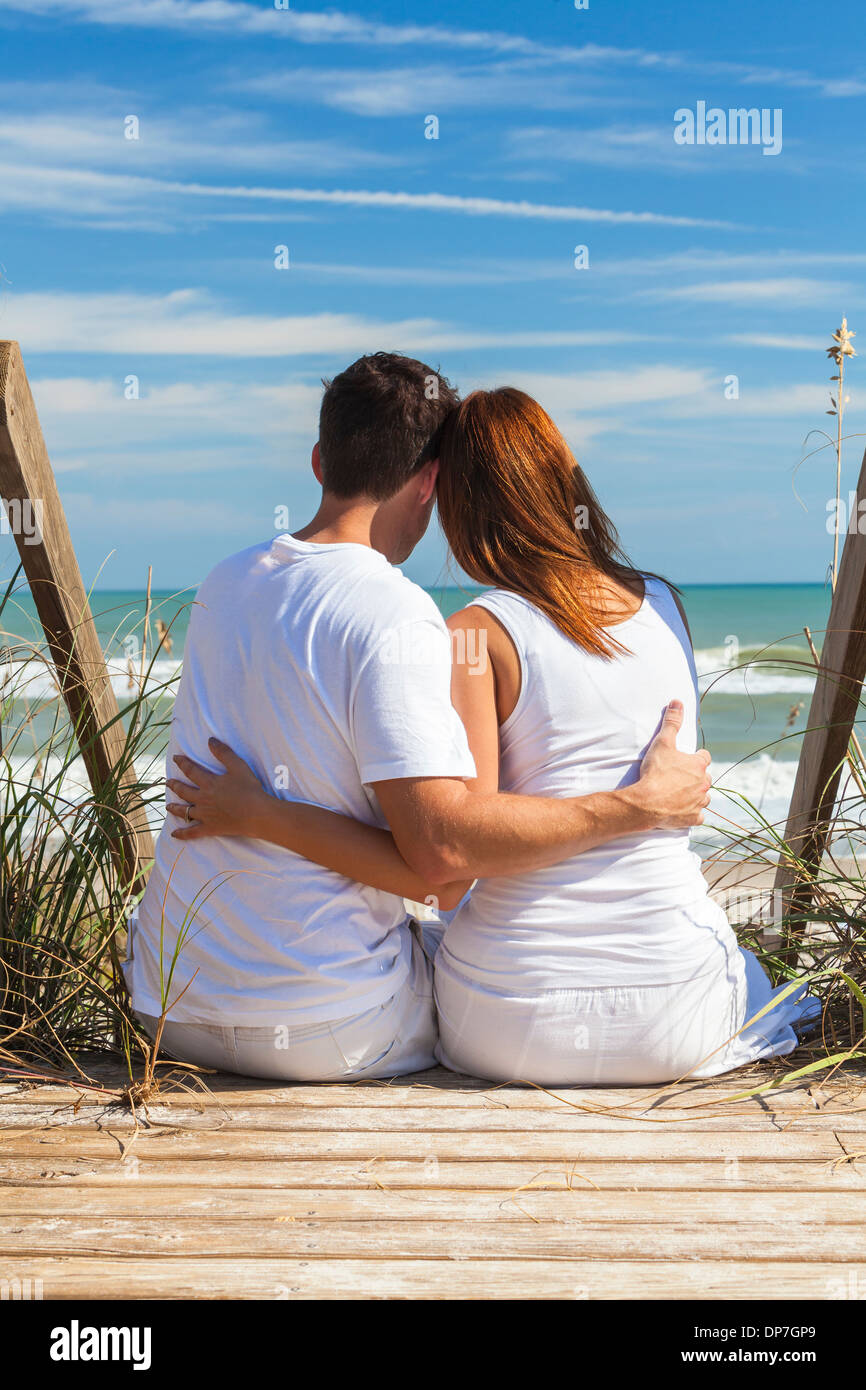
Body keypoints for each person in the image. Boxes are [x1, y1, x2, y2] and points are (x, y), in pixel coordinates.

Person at [171, 387, 818, 1085]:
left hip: (511, 1025)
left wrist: (265, 814)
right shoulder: (664, 606)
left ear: (448, 497)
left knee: (439, 938)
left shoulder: (472, 637)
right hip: (678, 1021)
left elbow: (450, 855)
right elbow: (451, 852)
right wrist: (641, 805)